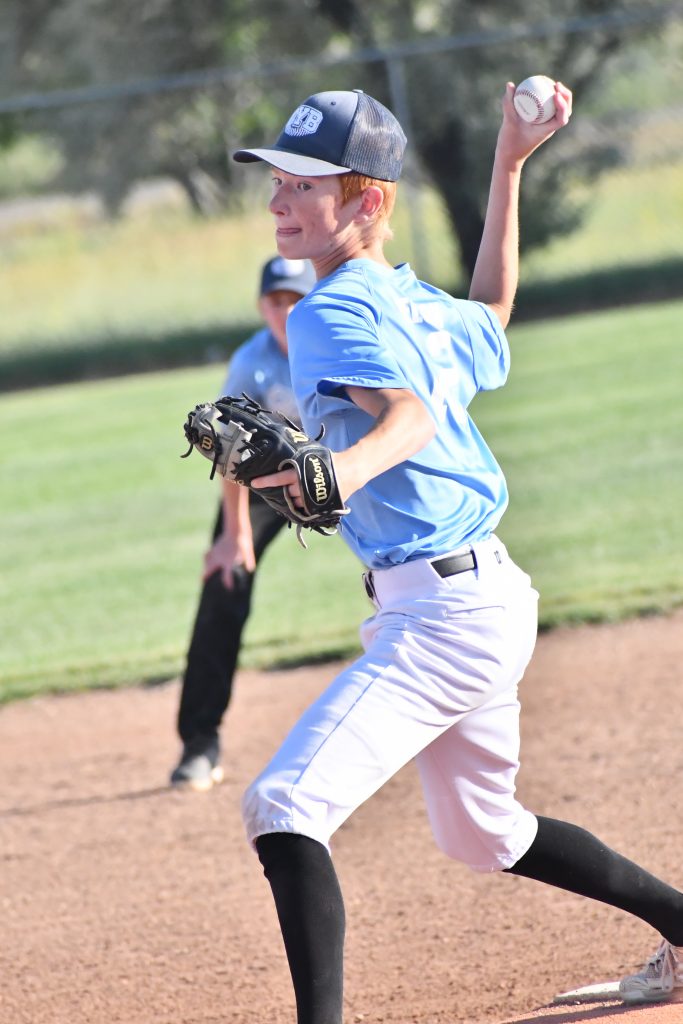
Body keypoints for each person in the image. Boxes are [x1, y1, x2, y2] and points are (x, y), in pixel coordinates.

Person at [230, 85, 683, 1019]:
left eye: (303, 184)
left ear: (367, 202)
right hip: (479, 598)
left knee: (283, 805)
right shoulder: (409, 300)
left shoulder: (323, 314)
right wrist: (508, 163)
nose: (278, 199)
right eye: (276, 178)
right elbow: (495, 307)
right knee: (485, 834)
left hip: (443, 615)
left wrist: (340, 475)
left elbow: (409, 417)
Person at [170, 255, 317, 790]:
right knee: (224, 581)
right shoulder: (250, 364)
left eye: (296, 298)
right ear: (262, 307)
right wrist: (235, 536)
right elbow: (231, 454)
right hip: (267, 485)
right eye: (276, 301)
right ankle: (199, 743)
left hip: (347, 471)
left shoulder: (335, 341)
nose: (286, 311)